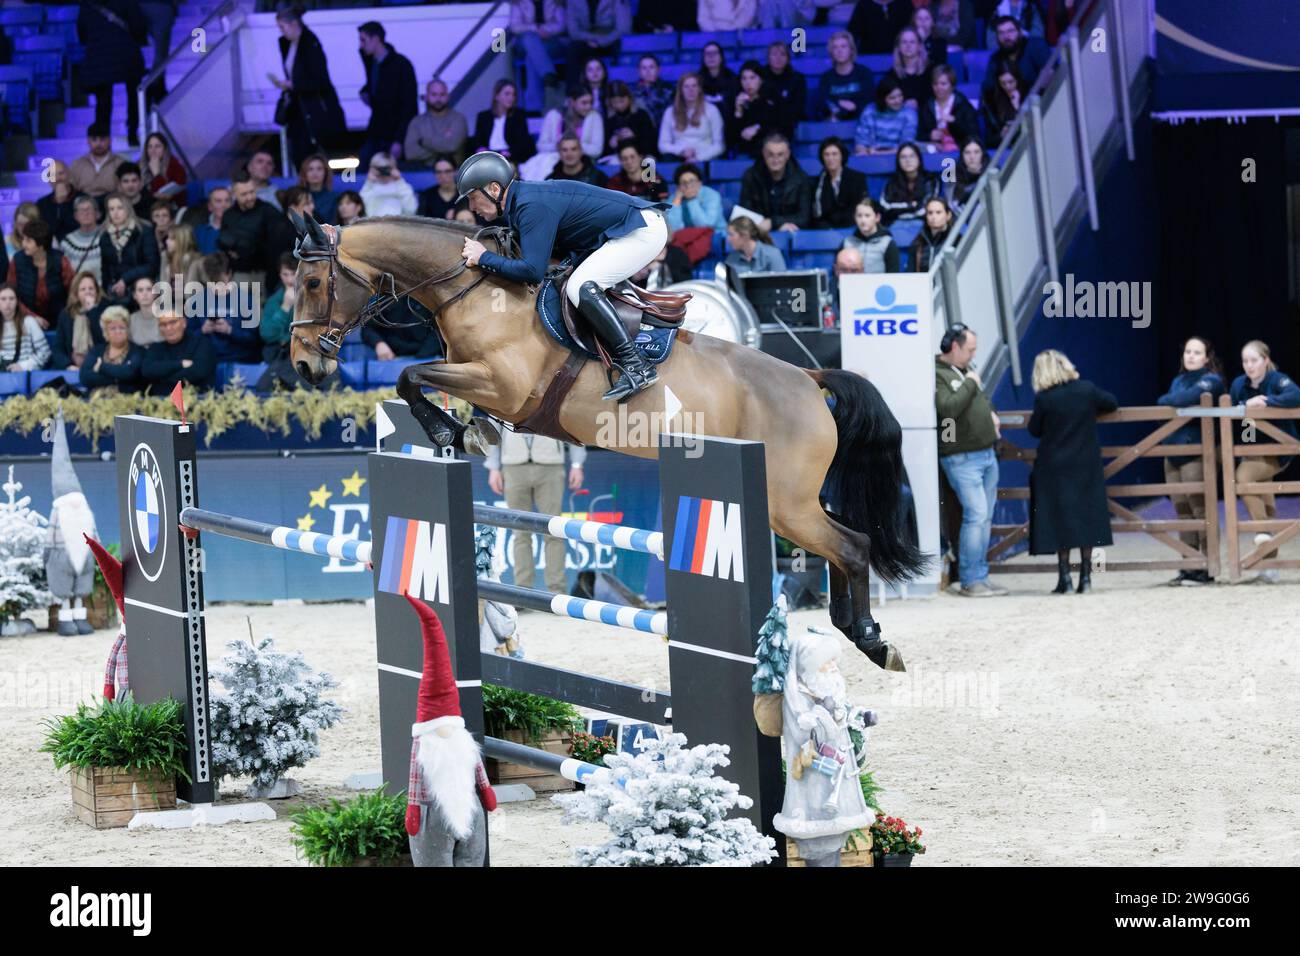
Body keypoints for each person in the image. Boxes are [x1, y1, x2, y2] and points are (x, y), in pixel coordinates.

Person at [455, 150, 670, 401]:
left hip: (640, 231)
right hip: (624, 231)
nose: (471, 207)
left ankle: (637, 365)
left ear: (493, 189)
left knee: (580, 286)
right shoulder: (522, 202)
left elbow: (532, 271)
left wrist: (484, 258)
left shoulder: (530, 205)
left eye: (472, 197)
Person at [1027, 349, 1118, 594]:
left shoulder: (1045, 398)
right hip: (1085, 464)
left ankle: (1064, 578)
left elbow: (1034, 430)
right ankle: (1086, 579)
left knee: (1060, 521)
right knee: (1086, 519)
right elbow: (1111, 402)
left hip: (1053, 467)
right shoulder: (1086, 390)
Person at [935, 324, 1008, 597]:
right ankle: (970, 579)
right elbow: (948, 409)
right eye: (970, 349)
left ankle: (980, 575)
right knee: (976, 515)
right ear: (954, 347)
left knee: (983, 516)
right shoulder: (938, 374)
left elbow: (980, 399)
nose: (973, 354)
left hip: (986, 453)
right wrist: (970, 383)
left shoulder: (964, 371)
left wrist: (990, 412)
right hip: (961, 457)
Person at [1156, 336, 1225, 586]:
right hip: (1173, 451)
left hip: (1197, 451)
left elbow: (1182, 400)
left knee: (1200, 509)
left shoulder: (1212, 380)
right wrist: (1170, 400)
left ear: (1207, 358)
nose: (1191, 356)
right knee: (1182, 510)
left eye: (1197, 353)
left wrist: (1167, 400)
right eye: (1188, 352)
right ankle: (1189, 565)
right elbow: (1176, 400)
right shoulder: (1178, 380)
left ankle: (1207, 566)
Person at [1229, 340, 1300, 583]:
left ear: (1265, 361)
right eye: (1245, 361)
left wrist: (1267, 402)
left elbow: (1296, 395)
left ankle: (1262, 531)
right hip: (1251, 449)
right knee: (1265, 500)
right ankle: (1269, 566)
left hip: (1278, 449)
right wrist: (1244, 405)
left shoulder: (1277, 379)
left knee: (1243, 477)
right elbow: (1230, 408)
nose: (1249, 365)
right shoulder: (1239, 384)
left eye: (1254, 360)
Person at [486, 433, 587, 593]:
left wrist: (577, 464)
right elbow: (492, 429)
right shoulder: (508, 405)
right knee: (520, 533)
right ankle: (523, 590)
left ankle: (557, 591)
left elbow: (569, 425)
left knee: (554, 530)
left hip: (550, 467)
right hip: (513, 467)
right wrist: (493, 467)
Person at [272, 4, 347, 168]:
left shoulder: (310, 45)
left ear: (293, 24)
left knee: (312, 155)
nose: (281, 31)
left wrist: (294, 84)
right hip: (300, 108)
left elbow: (320, 80)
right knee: (300, 155)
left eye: (282, 27)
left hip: (312, 110)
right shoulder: (290, 45)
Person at [77, 0, 147, 145]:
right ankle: (132, 133)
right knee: (133, 94)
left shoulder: (87, 5)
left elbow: (81, 33)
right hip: (125, 52)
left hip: (99, 56)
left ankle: (103, 137)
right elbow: (139, 26)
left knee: (103, 101)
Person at [219, 172, 295, 295]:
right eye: (244, 194)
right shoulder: (228, 215)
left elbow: (280, 245)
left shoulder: (268, 211)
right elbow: (224, 242)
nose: (249, 197)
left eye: (252, 192)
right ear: (234, 194)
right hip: (238, 275)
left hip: (263, 274)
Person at [357, 21, 418, 169]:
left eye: (363, 40)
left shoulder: (401, 65)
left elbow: (409, 105)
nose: (360, 45)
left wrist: (399, 140)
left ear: (376, 39)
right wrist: (367, 92)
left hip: (393, 133)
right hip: (377, 130)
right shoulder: (372, 62)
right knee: (364, 168)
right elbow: (375, 85)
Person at [194, 253, 261, 364]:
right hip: (207, 361)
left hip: (241, 360)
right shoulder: (197, 301)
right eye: (213, 282)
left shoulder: (246, 300)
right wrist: (203, 330)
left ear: (229, 274)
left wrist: (230, 330)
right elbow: (188, 339)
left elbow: (254, 339)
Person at [738, 134, 813, 233]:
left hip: (789, 232)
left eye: (780, 154)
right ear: (763, 154)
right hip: (758, 233)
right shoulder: (751, 177)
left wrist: (773, 223)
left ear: (788, 155)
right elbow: (745, 213)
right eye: (771, 154)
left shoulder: (801, 179)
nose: (775, 159)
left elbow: (804, 217)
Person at [9, 220, 75, 325]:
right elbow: (11, 294)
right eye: (23, 239)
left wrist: (65, 317)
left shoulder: (61, 261)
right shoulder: (17, 260)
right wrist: (32, 317)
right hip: (26, 321)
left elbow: (73, 291)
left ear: (41, 244)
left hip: (60, 321)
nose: (23, 244)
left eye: (28, 240)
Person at [99, 193, 160, 304]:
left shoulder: (143, 231)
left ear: (128, 209)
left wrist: (125, 280)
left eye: (120, 208)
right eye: (111, 209)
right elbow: (105, 269)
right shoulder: (105, 236)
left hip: (141, 290)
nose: (115, 213)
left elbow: (152, 265)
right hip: (114, 293)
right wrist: (106, 292)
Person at [510, 0, 567, 115]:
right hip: (525, 43)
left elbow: (562, 25)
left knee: (531, 58)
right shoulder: (519, 2)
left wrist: (547, 30)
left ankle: (534, 109)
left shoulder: (556, 2)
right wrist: (536, 29)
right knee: (530, 39)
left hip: (551, 42)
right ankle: (550, 78)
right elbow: (514, 26)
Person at [142, 310, 217, 395]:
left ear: (184, 323)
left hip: (195, 400)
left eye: (173, 322)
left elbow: (198, 372)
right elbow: (147, 370)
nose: (168, 328)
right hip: (161, 401)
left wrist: (161, 377)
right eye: (163, 325)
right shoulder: (156, 347)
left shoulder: (202, 344)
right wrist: (180, 364)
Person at [728, 61, 792, 158]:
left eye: (752, 78)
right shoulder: (736, 100)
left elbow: (783, 127)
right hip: (744, 151)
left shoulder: (773, 99)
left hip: (770, 150)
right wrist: (738, 111)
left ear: (761, 80)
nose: (748, 83)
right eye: (744, 79)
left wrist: (758, 128)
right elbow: (730, 138)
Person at [658, 73, 726, 164]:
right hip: (678, 157)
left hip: (705, 158)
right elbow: (662, 145)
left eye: (694, 86)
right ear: (681, 90)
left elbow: (719, 145)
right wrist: (682, 151)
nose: (691, 90)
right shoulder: (670, 112)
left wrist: (698, 157)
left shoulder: (712, 110)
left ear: (700, 89)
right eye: (686, 87)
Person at [982, 15, 1052, 102]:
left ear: (1020, 32)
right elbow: (989, 89)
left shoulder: (1036, 46)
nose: (1006, 37)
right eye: (1001, 33)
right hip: (1012, 108)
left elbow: (1050, 75)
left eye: (1010, 31)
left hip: (1043, 101)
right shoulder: (995, 59)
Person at [404, 79, 470, 169]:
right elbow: (410, 153)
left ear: (448, 96)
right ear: (427, 97)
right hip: (423, 172)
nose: (438, 99)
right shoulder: (416, 122)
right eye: (434, 95)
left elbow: (452, 146)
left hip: (453, 172)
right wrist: (442, 145)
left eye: (442, 94)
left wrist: (423, 142)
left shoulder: (458, 119)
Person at [79, 306, 145, 394]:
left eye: (122, 327)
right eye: (113, 328)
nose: (118, 331)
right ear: (106, 332)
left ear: (128, 330)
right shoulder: (97, 350)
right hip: (95, 400)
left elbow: (130, 373)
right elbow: (85, 377)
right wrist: (118, 378)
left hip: (127, 402)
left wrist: (101, 367)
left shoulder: (138, 351)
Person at [50, 272, 108, 371]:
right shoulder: (66, 315)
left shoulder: (106, 311)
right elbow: (57, 348)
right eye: (83, 289)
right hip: (73, 366)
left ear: (97, 291)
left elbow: (105, 342)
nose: (87, 292)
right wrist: (68, 365)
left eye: (91, 288)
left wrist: (92, 312)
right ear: (76, 293)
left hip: (99, 366)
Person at [470, 79, 536, 164]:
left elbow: (522, 142)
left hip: (509, 157)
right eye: (507, 94)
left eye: (513, 95)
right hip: (488, 156)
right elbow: (478, 139)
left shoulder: (518, 116)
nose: (511, 98)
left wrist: (509, 152)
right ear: (496, 96)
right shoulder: (484, 117)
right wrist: (480, 148)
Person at [919, 64, 981, 152]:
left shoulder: (963, 105)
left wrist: (954, 122)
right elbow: (919, 134)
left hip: (961, 150)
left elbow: (974, 134)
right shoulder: (927, 106)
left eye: (943, 84)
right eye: (935, 84)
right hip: (934, 151)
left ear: (952, 85)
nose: (939, 88)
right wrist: (929, 136)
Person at [565, 0, 629, 83]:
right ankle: (574, 92)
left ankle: (616, 88)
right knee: (573, 49)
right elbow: (573, 31)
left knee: (620, 46)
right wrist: (591, 39)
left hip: (610, 39)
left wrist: (601, 41)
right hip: (586, 40)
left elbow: (623, 28)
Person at [811, 137, 867, 229]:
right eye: (826, 154)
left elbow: (861, 208)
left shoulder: (857, 178)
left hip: (852, 228)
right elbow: (817, 214)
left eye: (834, 154)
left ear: (842, 156)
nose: (830, 158)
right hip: (827, 232)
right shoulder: (818, 183)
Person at [818, 31, 874, 121]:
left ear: (851, 50)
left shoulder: (864, 73)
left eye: (843, 46)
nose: (839, 51)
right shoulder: (826, 78)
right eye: (835, 47)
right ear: (831, 52)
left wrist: (855, 107)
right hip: (834, 123)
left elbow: (869, 103)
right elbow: (823, 104)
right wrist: (841, 103)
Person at [854, 76, 918, 155]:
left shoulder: (909, 114)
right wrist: (863, 152)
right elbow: (860, 143)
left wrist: (878, 154)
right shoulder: (869, 111)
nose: (898, 101)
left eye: (900, 95)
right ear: (882, 99)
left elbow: (906, 147)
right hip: (871, 157)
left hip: (899, 157)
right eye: (892, 98)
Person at [536, 88, 604, 161]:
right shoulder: (553, 115)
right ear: (572, 102)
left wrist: (574, 146)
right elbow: (540, 146)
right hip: (554, 160)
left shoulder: (594, 117)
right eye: (584, 103)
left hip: (582, 161)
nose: (588, 107)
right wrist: (557, 146)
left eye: (591, 103)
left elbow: (597, 150)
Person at [880, 141, 938, 223]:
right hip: (895, 224)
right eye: (903, 157)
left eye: (912, 156)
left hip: (923, 225)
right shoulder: (892, 181)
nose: (908, 160)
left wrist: (899, 210)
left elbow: (925, 209)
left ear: (919, 159)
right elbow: (885, 207)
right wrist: (911, 205)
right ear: (898, 161)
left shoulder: (930, 180)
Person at [841, 197, 899, 272]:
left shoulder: (888, 243)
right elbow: (837, 274)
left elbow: (893, 276)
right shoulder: (847, 243)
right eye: (859, 215)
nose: (863, 220)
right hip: (853, 283)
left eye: (867, 215)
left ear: (877, 217)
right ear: (854, 217)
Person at [57, 197, 106, 286]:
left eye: (89, 209)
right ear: (75, 216)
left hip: (103, 291)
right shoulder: (67, 242)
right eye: (81, 210)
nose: (85, 213)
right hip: (78, 291)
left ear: (97, 214)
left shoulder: (107, 236)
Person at [0, 284, 50, 372]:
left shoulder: (29, 322)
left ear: (17, 302)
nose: (8, 302)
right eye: (3, 299)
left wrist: (23, 366)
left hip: (24, 374)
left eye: (11, 298)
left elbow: (45, 352)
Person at [666, 163, 727, 235]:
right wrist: (677, 201)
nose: (688, 186)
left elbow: (706, 226)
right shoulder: (674, 198)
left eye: (692, 181)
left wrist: (692, 199)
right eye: (684, 182)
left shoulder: (712, 195)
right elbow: (672, 229)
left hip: (714, 237)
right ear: (678, 186)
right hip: (686, 238)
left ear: (700, 182)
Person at [69, 125, 126, 200]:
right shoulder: (78, 164)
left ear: (110, 141)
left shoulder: (120, 163)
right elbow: (71, 189)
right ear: (88, 141)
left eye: (102, 140)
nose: (98, 144)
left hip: (112, 204)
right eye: (94, 140)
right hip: (84, 204)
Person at [604, 82, 657, 160]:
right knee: (611, 163)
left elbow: (651, 144)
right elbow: (604, 150)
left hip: (642, 154)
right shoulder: (609, 119)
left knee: (649, 162)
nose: (619, 105)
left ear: (629, 98)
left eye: (622, 101)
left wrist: (635, 136)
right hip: (619, 156)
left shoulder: (641, 115)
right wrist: (611, 144)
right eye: (615, 102)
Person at [762, 41, 807, 124]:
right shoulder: (760, 77)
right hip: (765, 122)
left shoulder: (797, 79)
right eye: (774, 54)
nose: (778, 58)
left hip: (790, 123)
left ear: (788, 58)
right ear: (768, 58)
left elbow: (798, 108)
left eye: (782, 54)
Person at [983, 62, 1027, 145]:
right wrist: (1001, 135)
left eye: (1011, 82)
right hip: (1004, 145)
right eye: (1003, 83)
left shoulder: (1027, 95)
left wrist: (1017, 107)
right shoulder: (992, 101)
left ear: (1017, 80)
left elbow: (1032, 126)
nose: (1007, 87)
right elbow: (988, 139)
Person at [847, 0, 913, 55]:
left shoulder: (904, 3)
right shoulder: (863, 5)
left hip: (900, 57)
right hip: (869, 58)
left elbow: (913, 32)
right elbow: (852, 35)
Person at [887, 27, 931, 107]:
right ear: (898, 47)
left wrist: (918, 103)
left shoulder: (931, 71)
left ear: (919, 46)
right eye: (904, 42)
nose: (908, 45)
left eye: (912, 42)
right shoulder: (892, 75)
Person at [38, 161, 79, 241]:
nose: (58, 178)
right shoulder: (42, 204)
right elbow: (47, 232)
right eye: (53, 175)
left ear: (69, 175)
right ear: (49, 180)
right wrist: (59, 204)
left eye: (61, 173)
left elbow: (77, 227)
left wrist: (62, 205)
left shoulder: (83, 199)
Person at [911, 196, 953, 271]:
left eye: (938, 212)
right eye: (930, 213)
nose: (934, 217)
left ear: (948, 215)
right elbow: (911, 273)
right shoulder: (918, 242)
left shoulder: (956, 240)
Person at [141, 132, 187, 200]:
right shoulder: (141, 165)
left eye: (157, 146)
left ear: (165, 149)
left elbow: (165, 196)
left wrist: (156, 174)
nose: (153, 150)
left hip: (170, 206)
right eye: (149, 146)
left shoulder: (176, 167)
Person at [632, 56, 675, 126]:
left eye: (651, 67)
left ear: (658, 69)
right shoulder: (632, 91)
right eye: (644, 68)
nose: (648, 71)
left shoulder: (669, 90)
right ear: (639, 71)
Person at [698, 42, 740, 113]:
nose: (711, 56)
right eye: (707, 54)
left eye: (715, 53)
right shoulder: (697, 80)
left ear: (721, 57)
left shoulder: (732, 79)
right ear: (703, 58)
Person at [297, 153, 338, 224]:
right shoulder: (296, 197)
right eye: (310, 169)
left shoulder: (335, 197)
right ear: (304, 173)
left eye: (319, 169)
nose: (315, 173)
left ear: (326, 172)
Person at [949, 138, 987, 211]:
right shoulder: (953, 174)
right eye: (967, 152)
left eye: (976, 152)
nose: (972, 157)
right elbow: (952, 202)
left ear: (983, 154)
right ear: (962, 155)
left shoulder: (992, 172)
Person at [193, 186, 232, 254]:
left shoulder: (240, 230)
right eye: (218, 201)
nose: (224, 205)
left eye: (227, 200)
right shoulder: (198, 231)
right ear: (210, 206)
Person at [128, 275, 164, 346]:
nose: (145, 293)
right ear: (134, 295)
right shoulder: (130, 320)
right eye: (140, 290)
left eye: (149, 289)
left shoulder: (166, 316)